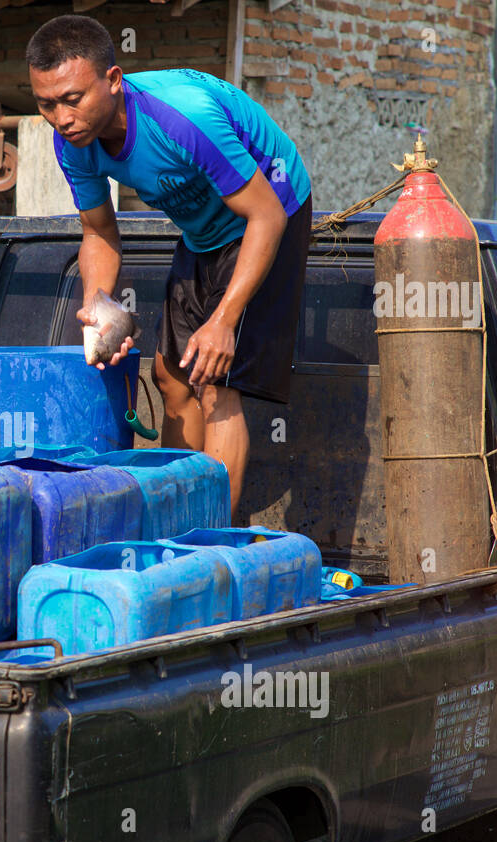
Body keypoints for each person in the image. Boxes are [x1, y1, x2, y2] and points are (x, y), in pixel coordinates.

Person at [26, 14, 312, 516]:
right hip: (203, 230)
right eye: (46, 104)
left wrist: (223, 322)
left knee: (215, 383)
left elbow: (264, 213)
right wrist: (99, 305)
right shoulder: (73, 145)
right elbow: (98, 231)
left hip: (271, 213)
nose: (61, 117)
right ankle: (175, 515)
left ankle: (210, 539)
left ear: (113, 81)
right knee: (170, 378)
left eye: (73, 99)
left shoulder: (181, 116)